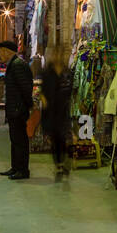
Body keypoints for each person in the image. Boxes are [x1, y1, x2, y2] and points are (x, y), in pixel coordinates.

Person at [0, 40, 34, 180]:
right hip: (14, 109)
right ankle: (15, 167)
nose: (0, 55)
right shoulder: (13, 64)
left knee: (20, 141)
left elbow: (26, 88)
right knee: (15, 140)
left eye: (1, 51)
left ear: (7, 51)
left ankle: (23, 170)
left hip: (18, 109)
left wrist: (26, 106)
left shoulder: (18, 65)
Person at [40, 45, 74, 183]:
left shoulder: (67, 72)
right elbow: (41, 90)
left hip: (63, 110)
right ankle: (58, 164)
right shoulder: (47, 72)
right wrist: (43, 99)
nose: (58, 57)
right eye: (56, 54)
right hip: (50, 111)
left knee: (63, 137)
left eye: (60, 54)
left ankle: (64, 161)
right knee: (55, 139)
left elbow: (70, 90)